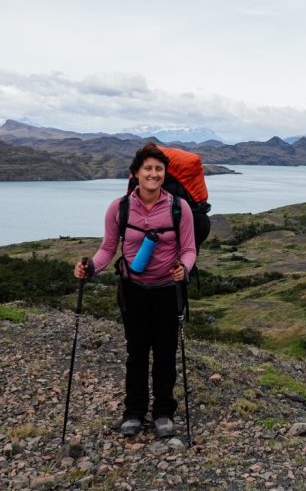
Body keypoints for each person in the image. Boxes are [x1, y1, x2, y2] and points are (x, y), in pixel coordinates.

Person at [74, 142, 196, 438]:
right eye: (148, 169)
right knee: (137, 353)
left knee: (166, 354)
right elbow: (107, 249)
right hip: (133, 291)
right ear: (135, 174)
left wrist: (185, 268)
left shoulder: (179, 208)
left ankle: (164, 412)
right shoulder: (120, 207)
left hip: (168, 291)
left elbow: (190, 250)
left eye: (158, 169)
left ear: (164, 174)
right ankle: (134, 412)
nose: (153, 174)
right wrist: (90, 268)